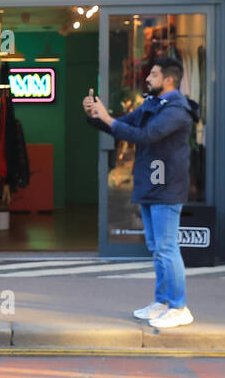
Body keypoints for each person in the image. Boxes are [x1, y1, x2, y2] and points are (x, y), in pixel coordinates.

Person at [84, 56, 199, 329]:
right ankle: (162, 301)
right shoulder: (153, 104)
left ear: (168, 79)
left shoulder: (176, 110)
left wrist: (109, 118)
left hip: (167, 187)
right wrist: (96, 115)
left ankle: (179, 306)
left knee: (167, 248)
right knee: (157, 248)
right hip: (150, 184)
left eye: (154, 74)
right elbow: (123, 125)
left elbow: (146, 135)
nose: (148, 78)